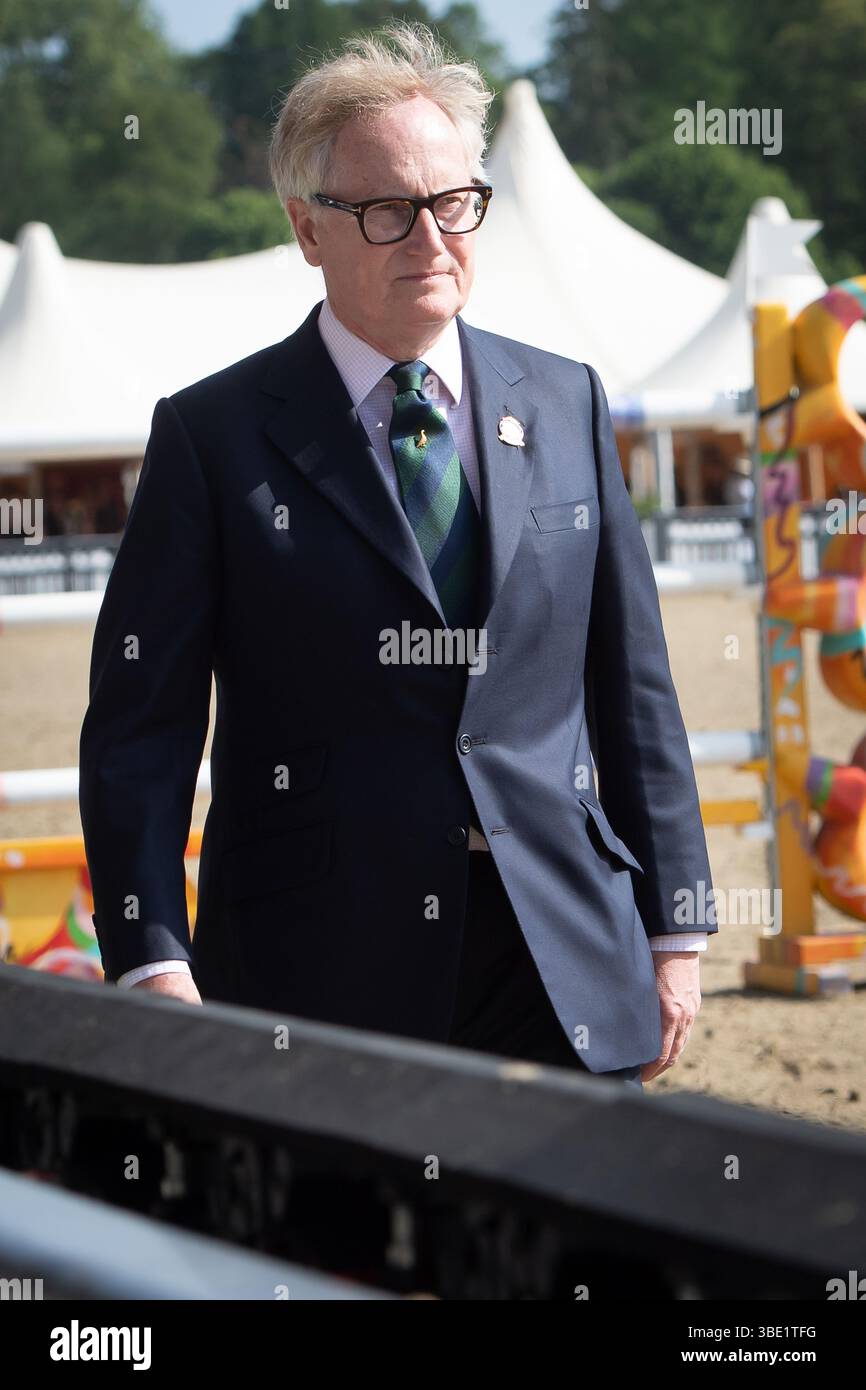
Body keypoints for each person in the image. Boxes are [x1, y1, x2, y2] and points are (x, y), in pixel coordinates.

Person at [79, 23, 715, 1089]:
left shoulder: (565, 401)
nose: (429, 238)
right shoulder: (210, 436)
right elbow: (141, 727)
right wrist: (150, 957)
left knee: (562, 1258)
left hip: (562, 960)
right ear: (305, 229)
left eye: (452, 203)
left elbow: (633, 688)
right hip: (311, 973)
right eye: (385, 211)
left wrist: (676, 931)